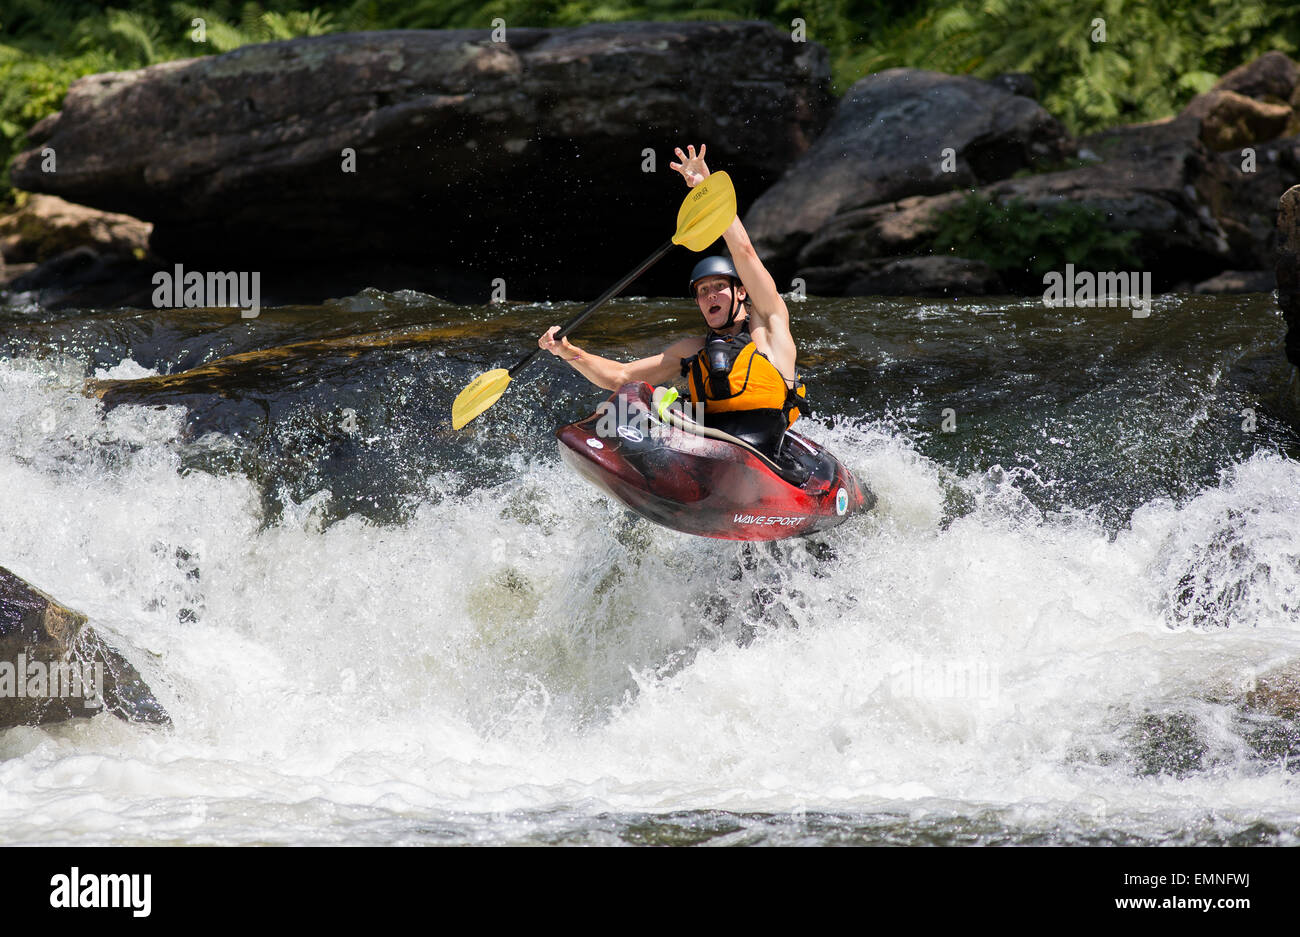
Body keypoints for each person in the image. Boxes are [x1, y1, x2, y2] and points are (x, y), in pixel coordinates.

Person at [538, 144, 804, 458]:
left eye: (719, 287)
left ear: (741, 293)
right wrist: (567, 351)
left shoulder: (770, 331)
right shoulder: (692, 352)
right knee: (639, 397)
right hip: (713, 452)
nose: (710, 295)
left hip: (765, 456)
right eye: (703, 292)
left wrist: (708, 190)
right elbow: (621, 377)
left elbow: (743, 250)